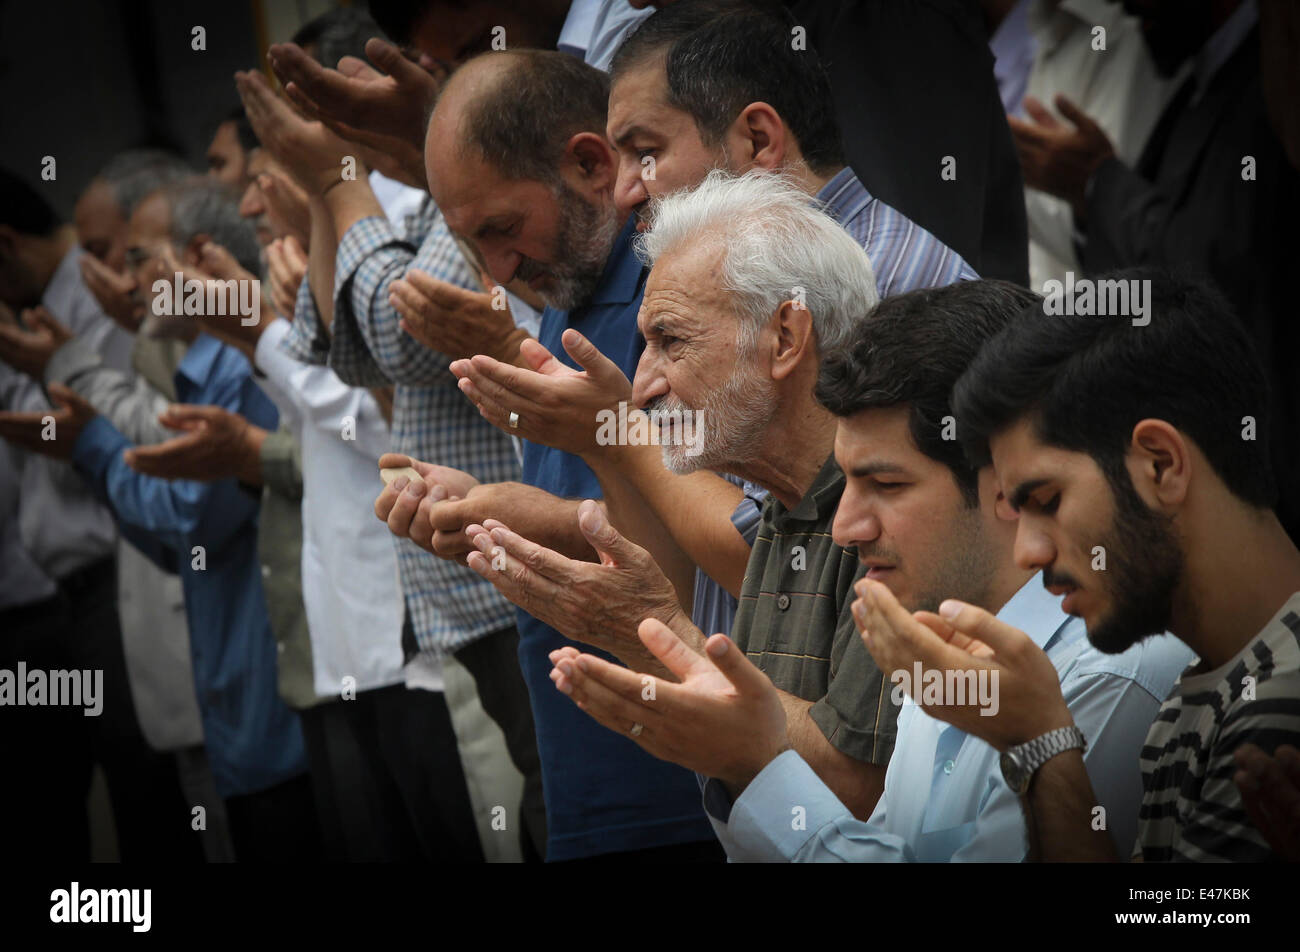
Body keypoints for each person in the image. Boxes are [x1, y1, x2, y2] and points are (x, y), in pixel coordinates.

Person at [548, 278, 1191, 861]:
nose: (846, 527)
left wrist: (760, 765)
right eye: (846, 482)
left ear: (1009, 481)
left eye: (885, 483)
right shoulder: (938, 641)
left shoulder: (1111, 674)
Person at [380, 49, 723, 861]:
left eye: (503, 228)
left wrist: (537, 520)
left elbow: (729, 532)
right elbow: (602, 484)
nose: (498, 270)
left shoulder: (668, 295)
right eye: (473, 246)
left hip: (682, 792)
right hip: (594, 782)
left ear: (590, 163)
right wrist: (484, 503)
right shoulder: (571, 294)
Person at [859, 268, 1300, 862]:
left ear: (1161, 465)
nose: (1029, 552)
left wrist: (1040, 741)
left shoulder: (1283, 703)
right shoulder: (1196, 698)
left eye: (1047, 502)